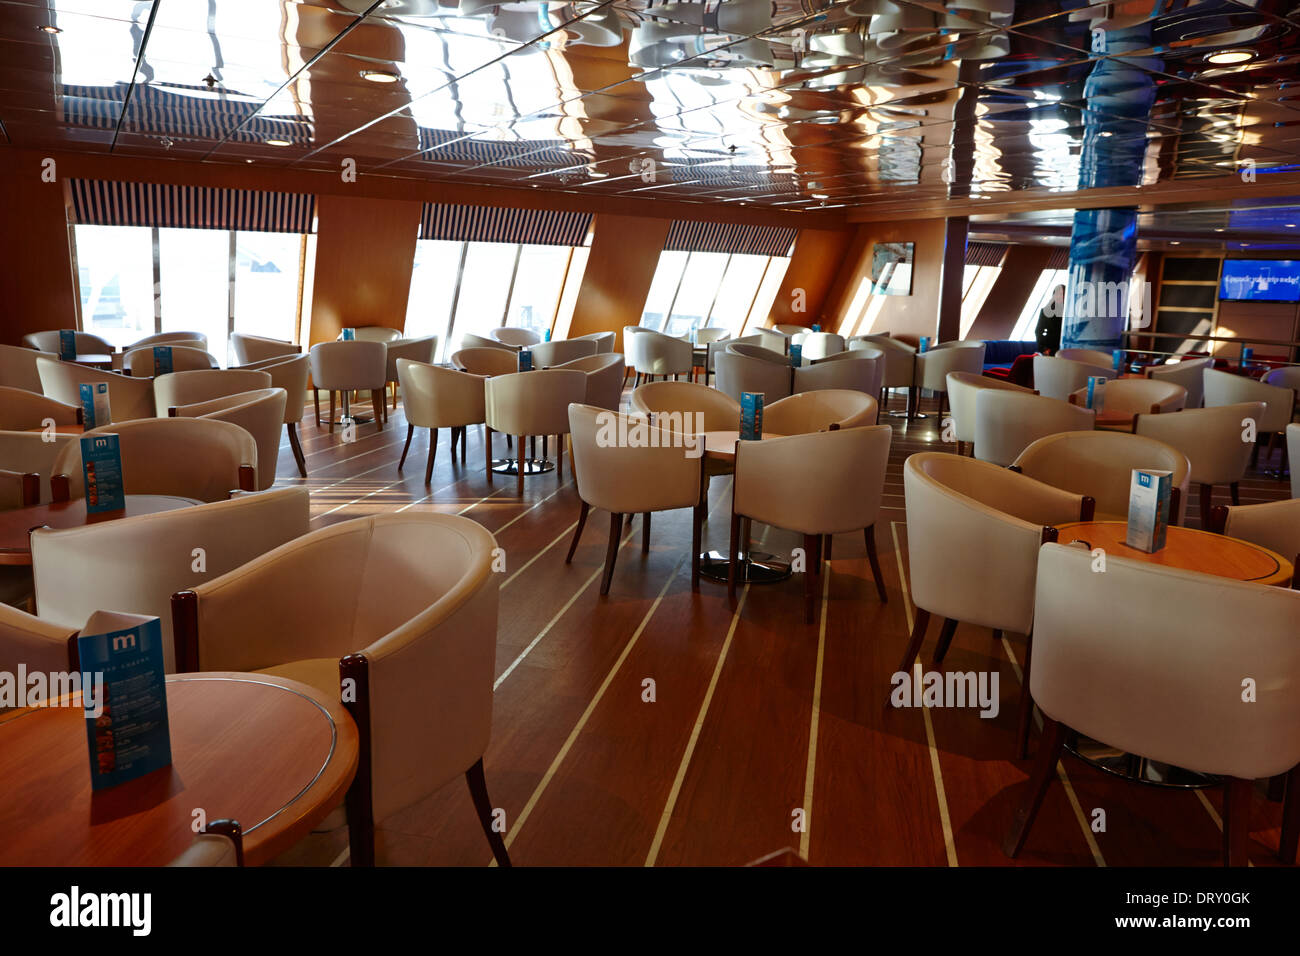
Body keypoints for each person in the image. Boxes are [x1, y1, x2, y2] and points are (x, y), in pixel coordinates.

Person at [1035, 284, 1066, 355]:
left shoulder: (1069, 311)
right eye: (1058, 294)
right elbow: (1038, 331)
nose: (1061, 297)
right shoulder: (1045, 311)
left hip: (1066, 348)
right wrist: (1043, 349)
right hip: (1050, 348)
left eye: (1063, 294)